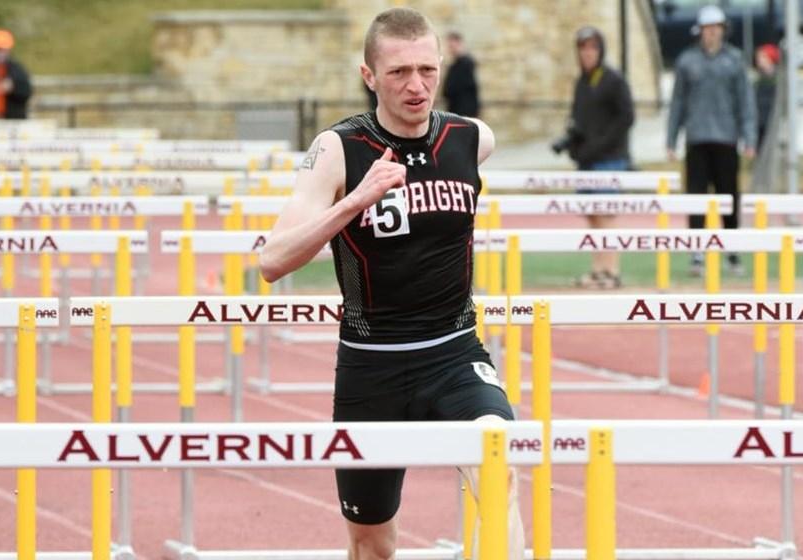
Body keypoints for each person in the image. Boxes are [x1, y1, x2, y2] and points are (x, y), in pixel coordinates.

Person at [260, 7, 523, 560]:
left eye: (427, 69)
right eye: (400, 71)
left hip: (454, 355)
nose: (416, 85)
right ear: (369, 76)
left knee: (499, 466)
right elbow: (272, 260)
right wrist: (356, 200)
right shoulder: (338, 149)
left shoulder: (473, 139)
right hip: (370, 365)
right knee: (372, 543)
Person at [667, 5, 756, 276]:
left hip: (727, 139)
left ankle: (732, 252)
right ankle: (697, 253)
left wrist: (749, 137)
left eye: (717, 28)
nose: (712, 33)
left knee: (729, 197)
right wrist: (671, 138)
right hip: (697, 139)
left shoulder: (735, 60)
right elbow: (677, 102)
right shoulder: (686, 61)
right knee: (696, 198)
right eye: (708, 28)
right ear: (700, 31)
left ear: (723, 30)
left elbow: (746, 102)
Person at [556, 26, 635, 289]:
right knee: (591, 215)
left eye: (592, 47)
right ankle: (598, 269)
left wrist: (600, 145)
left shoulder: (612, 79)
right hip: (587, 161)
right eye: (583, 48)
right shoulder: (582, 81)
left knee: (606, 215)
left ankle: (611, 271)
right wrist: (573, 143)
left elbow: (626, 117)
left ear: (600, 50)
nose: (588, 53)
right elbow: (579, 120)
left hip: (609, 158)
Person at [442, 31, 480, 118]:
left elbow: (454, 88)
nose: (450, 48)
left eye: (452, 45)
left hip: (464, 111)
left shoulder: (465, 64)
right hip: (456, 109)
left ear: (459, 44)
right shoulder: (456, 64)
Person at [754, 43, 780, 148]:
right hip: (759, 123)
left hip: (774, 123)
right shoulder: (755, 79)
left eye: (762, 56)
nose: (759, 59)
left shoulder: (779, 80)